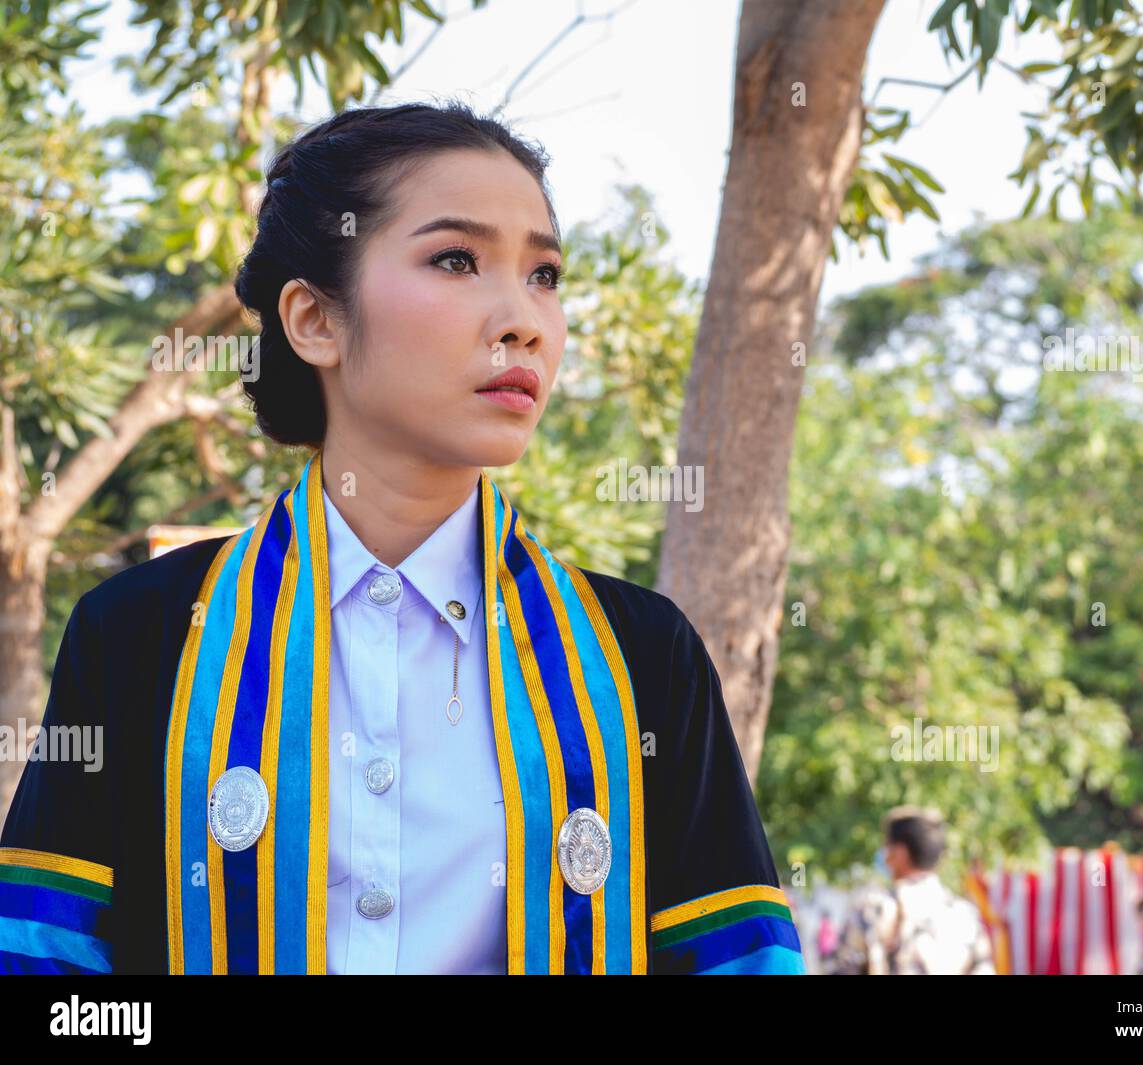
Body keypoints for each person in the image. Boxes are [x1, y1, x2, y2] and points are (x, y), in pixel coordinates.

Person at [0, 102, 803, 976]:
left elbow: (741, 963)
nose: (524, 318)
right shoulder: (142, 632)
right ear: (314, 320)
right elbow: (48, 968)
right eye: (456, 259)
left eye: (544, 274)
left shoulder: (641, 654)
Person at [831, 806, 993, 975]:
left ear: (900, 852)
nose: (884, 856)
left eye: (887, 846)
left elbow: (842, 968)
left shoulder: (874, 908)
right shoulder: (965, 915)